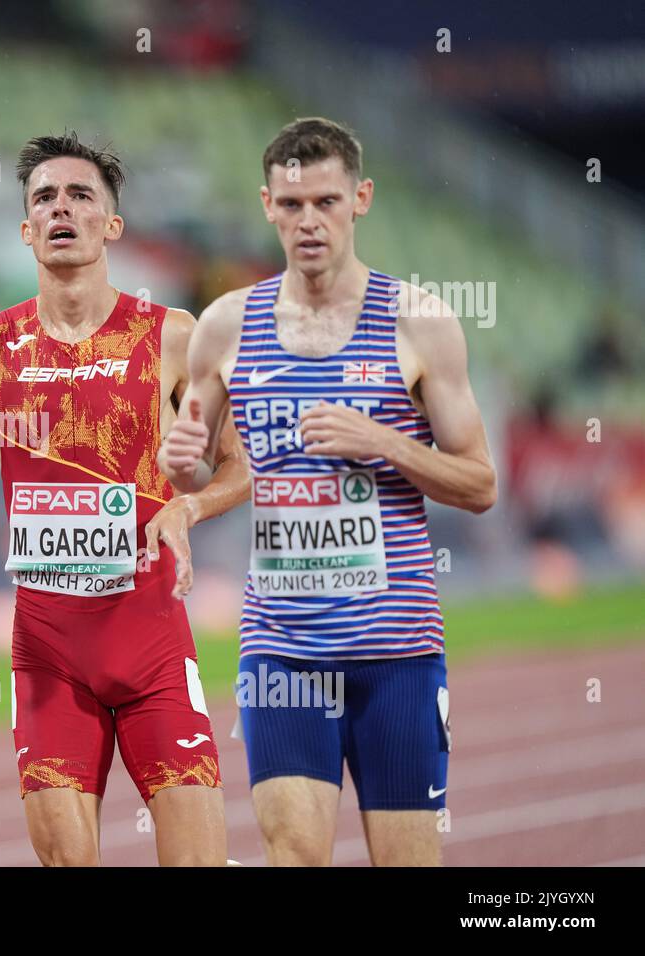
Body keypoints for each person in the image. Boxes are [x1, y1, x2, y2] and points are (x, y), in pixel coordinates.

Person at [0, 132, 249, 866]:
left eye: (81, 196)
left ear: (112, 225)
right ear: (25, 229)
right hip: (48, 659)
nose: (61, 208)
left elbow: (240, 469)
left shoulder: (174, 338)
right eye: (44, 197)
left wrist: (189, 507)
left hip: (153, 648)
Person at [161, 117, 498, 866]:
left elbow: (480, 484)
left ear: (361, 199)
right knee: (295, 855)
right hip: (282, 657)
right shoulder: (225, 326)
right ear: (266, 206)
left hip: (398, 657)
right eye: (291, 205)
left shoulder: (419, 323)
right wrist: (179, 460)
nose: (308, 222)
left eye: (326, 202)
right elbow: (195, 465)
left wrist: (380, 439)